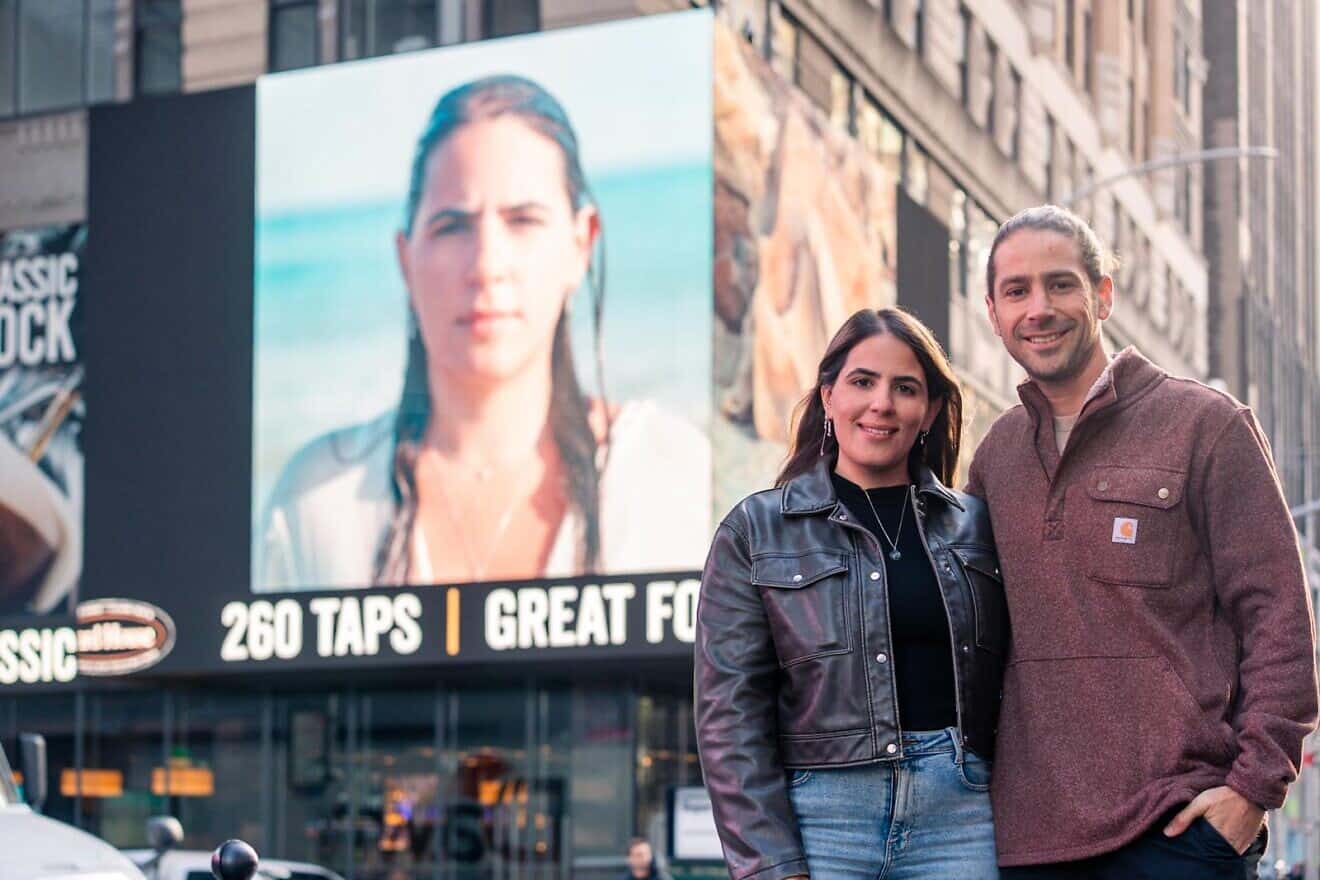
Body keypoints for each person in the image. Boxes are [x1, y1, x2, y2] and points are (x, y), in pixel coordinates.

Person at [966, 205, 1319, 878]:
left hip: (1177, 834)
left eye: (1060, 284)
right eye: (1017, 291)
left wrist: (1252, 791)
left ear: (1103, 294)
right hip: (1027, 845)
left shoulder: (1207, 426)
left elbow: (1279, 622)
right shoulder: (997, 456)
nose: (1039, 307)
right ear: (993, 312)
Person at [256, 75, 709, 590]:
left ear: (581, 244)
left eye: (523, 220)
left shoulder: (673, 476)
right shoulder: (316, 500)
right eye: (452, 226)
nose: (487, 265)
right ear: (405, 260)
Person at [695, 308, 1007, 880]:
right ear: (829, 397)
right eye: (863, 381)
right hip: (821, 818)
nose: (882, 403)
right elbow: (730, 716)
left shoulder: (978, 528)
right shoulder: (756, 531)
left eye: (905, 388)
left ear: (930, 411)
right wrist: (770, 861)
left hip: (960, 817)